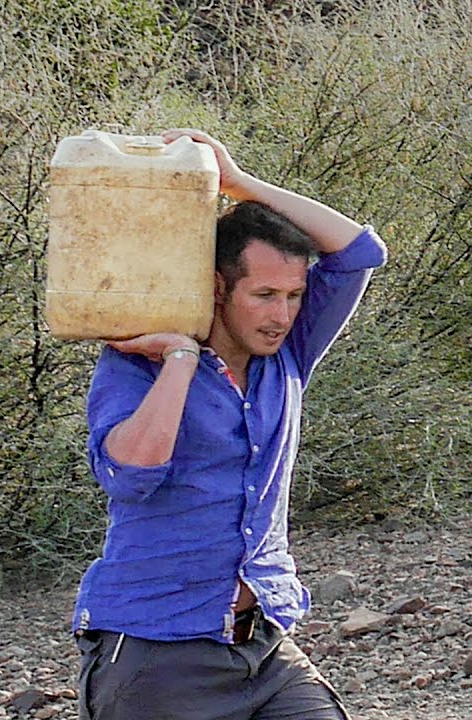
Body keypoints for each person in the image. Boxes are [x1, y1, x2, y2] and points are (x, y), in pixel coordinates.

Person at [70, 128, 387, 720]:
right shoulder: (136, 361)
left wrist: (239, 183)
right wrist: (180, 361)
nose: (283, 314)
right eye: (264, 294)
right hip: (154, 655)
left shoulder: (288, 353)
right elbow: (129, 474)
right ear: (217, 287)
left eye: (294, 295)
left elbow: (360, 253)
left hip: (263, 647)